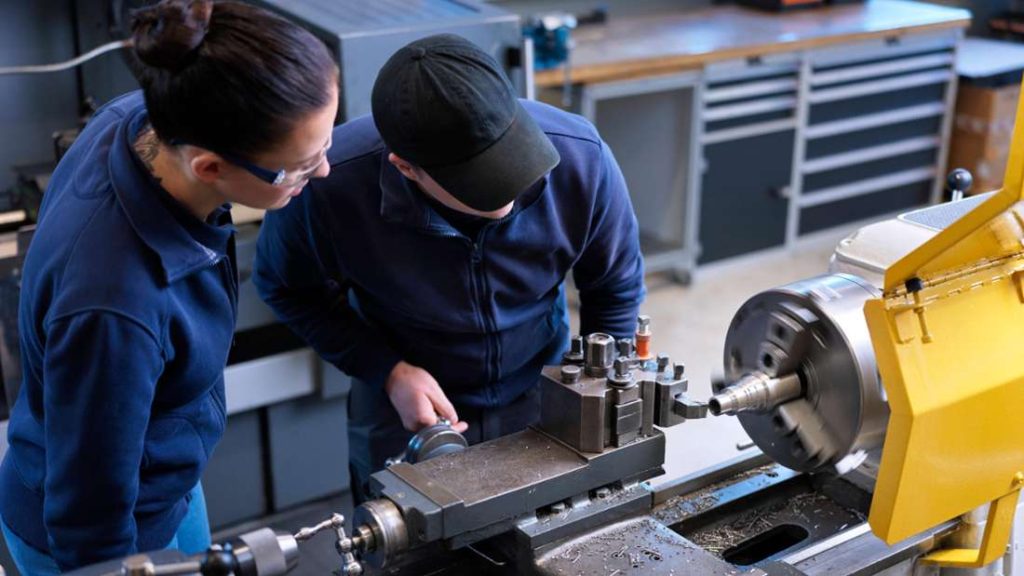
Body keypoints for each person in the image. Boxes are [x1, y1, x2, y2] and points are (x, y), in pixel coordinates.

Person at [0, 1, 338, 572]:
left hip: (163, 483)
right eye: (299, 167)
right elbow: (91, 510)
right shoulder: (116, 304)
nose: (323, 171)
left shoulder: (139, 119)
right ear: (208, 168)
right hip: (101, 534)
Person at [254, 34, 644, 501]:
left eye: (512, 162)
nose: (508, 195)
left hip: (540, 387)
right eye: (479, 180)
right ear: (406, 168)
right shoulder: (330, 188)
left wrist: (600, 395)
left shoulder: (580, 156)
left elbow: (615, 287)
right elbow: (287, 290)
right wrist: (389, 371)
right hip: (404, 407)